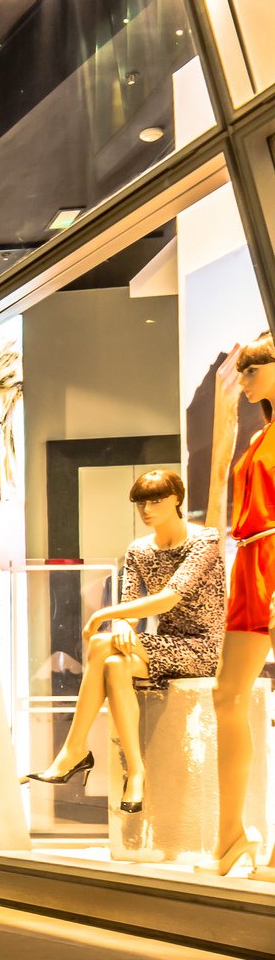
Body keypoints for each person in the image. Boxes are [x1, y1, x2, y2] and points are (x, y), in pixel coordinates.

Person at [22, 471, 223, 814]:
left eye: (156, 500)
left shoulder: (204, 542)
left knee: (101, 645)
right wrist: (123, 625)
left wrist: (106, 616)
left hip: (203, 648)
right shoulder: (139, 550)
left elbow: (168, 599)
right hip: (164, 645)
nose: (147, 509)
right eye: (141, 502)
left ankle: (74, 752)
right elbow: (131, 604)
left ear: (177, 498)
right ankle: (136, 771)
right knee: (113, 662)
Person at [205, 334, 275, 876]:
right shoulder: (257, 439)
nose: (244, 376)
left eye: (255, 366)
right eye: (242, 367)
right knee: (227, 695)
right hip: (250, 562)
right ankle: (231, 836)